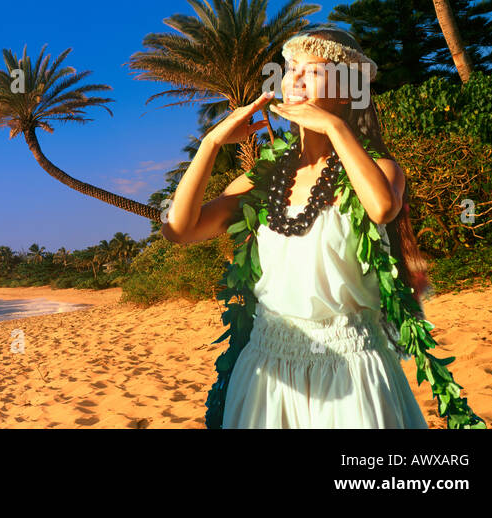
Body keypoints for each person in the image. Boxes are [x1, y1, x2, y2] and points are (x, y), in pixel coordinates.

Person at [160, 28, 429, 428]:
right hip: (268, 367)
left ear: (347, 91)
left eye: (313, 71)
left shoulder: (381, 170)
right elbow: (178, 229)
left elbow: (382, 207)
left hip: (351, 368)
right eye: (291, 69)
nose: (295, 79)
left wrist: (336, 128)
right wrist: (211, 143)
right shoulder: (263, 179)